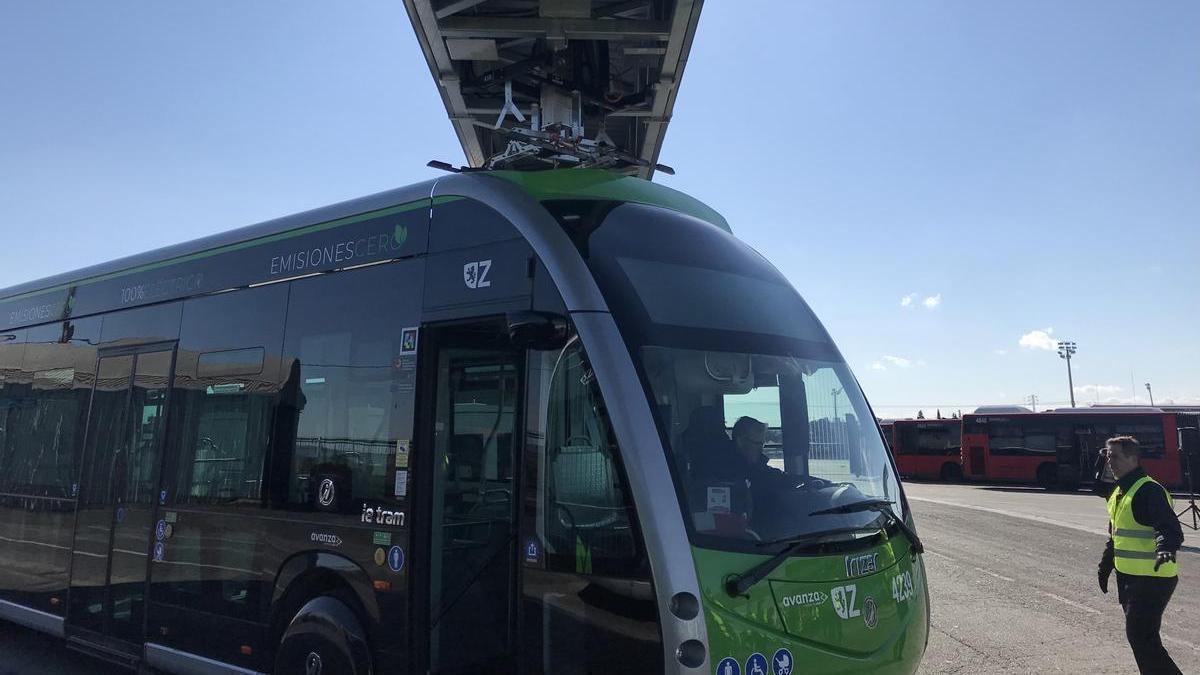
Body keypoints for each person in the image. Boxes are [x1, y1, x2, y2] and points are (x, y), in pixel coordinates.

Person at [1096, 435, 1184, 674]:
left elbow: (1169, 528)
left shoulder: (1148, 490)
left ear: (1132, 458)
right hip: (1129, 578)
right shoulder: (1119, 491)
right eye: (1107, 456)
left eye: (1115, 457)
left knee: (1142, 638)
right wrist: (1105, 567)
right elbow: (1117, 536)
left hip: (1152, 578)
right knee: (1142, 640)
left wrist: (1165, 547)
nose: (1109, 462)